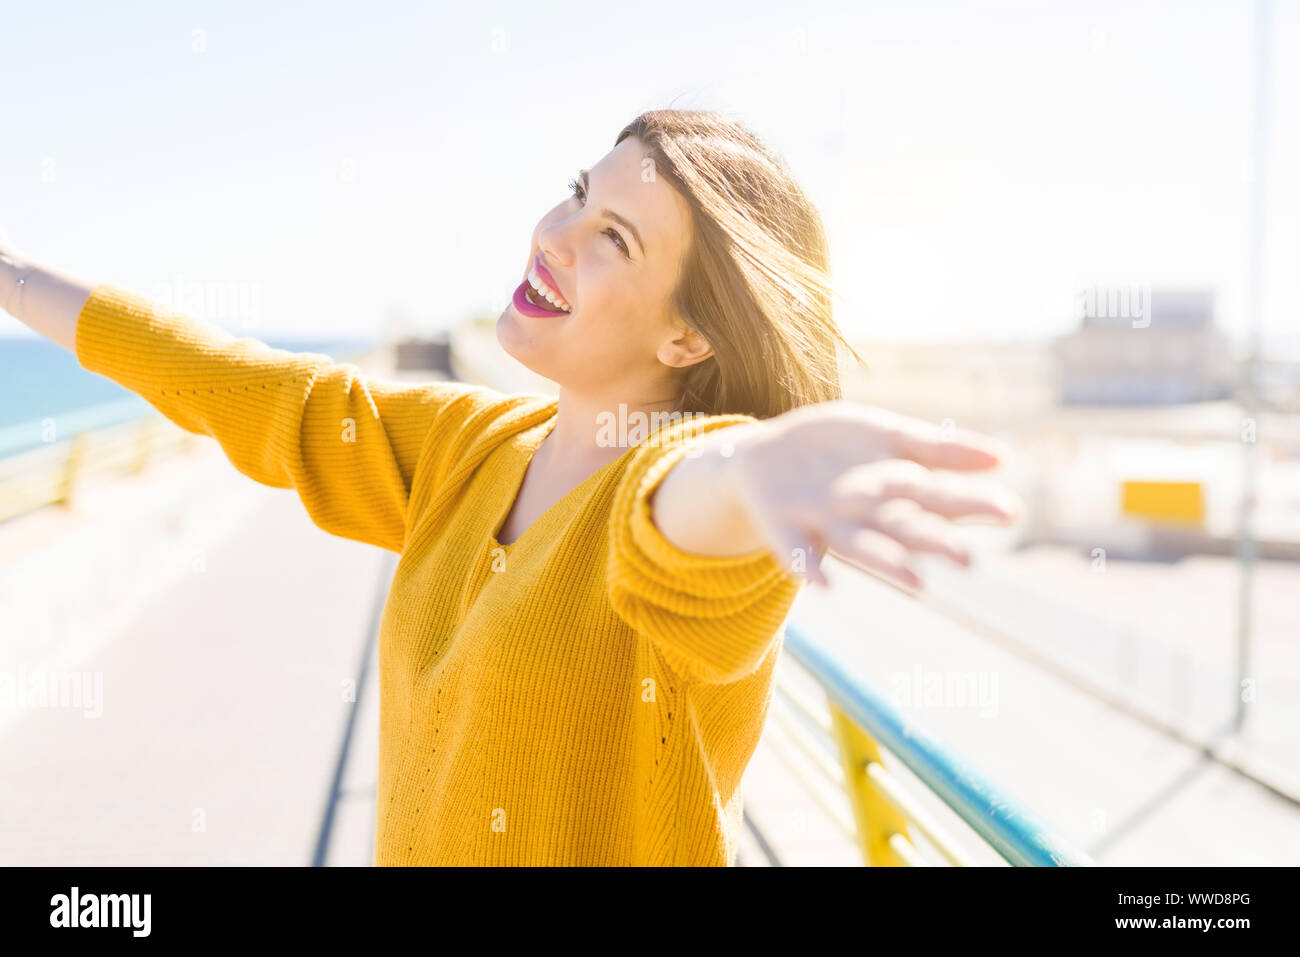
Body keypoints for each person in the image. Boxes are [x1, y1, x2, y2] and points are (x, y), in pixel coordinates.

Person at [0, 109, 1021, 866]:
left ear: (688, 336)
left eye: (612, 238)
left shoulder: (679, 485)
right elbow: (232, 381)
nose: (555, 235)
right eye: (579, 194)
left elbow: (683, 504)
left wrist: (758, 467)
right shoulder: (469, 444)